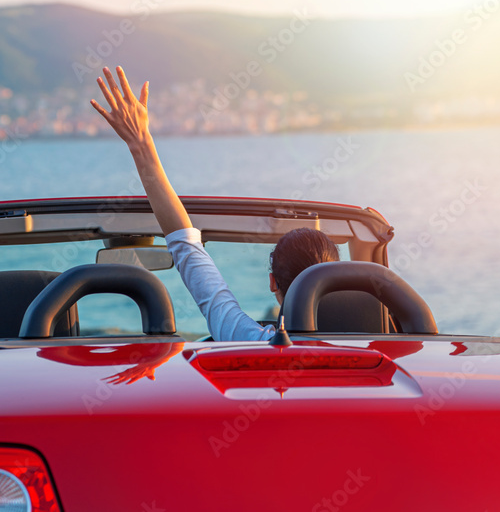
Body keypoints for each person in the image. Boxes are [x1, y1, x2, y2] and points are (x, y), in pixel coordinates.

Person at [92, 66, 339, 341]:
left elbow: (186, 246)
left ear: (273, 284)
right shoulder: (386, 343)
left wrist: (141, 143)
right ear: (338, 282)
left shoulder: (252, 341)